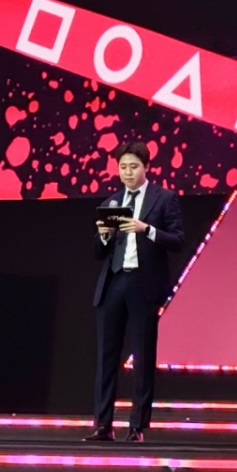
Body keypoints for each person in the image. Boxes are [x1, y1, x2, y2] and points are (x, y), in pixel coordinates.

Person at [86, 141, 184, 443]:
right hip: (114, 282)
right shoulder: (112, 202)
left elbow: (177, 240)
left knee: (142, 355)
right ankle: (103, 424)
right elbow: (98, 252)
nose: (128, 172)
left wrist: (147, 229)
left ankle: (137, 426)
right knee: (106, 356)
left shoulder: (164, 198)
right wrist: (104, 236)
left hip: (144, 283)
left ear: (147, 167)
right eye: (123, 167)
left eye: (133, 166)